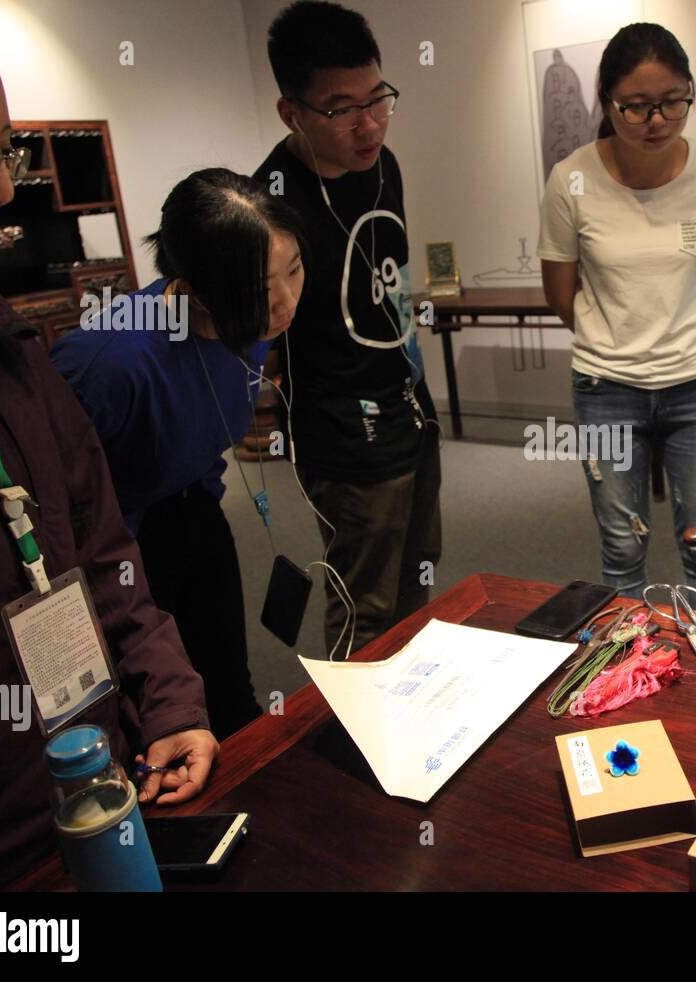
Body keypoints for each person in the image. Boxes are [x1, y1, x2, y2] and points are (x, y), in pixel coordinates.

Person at [0, 0, 216, 890]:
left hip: (97, 794)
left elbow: (98, 546)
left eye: (3, 152)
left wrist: (165, 696)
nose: (2, 187)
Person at [51, 169, 306, 739]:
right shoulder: (108, 363)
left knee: (229, 692)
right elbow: (52, 505)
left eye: (293, 271)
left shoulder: (250, 320)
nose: (286, 302)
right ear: (191, 286)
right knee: (150, 716)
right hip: (114, 547)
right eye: (262, 289)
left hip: (194, 509)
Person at [538, 22, 696, 616]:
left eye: (672, 102)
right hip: (607, 386)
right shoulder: (571, 180)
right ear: (608, 103)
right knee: (621, 546)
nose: (656, 120)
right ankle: (632, 669)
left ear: (689, 93)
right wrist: (618, 336)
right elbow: (562, 294)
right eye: (635, 107)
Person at [253, 1, 441, 654]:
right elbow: (260, 334)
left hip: (410, 408)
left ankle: (410, 718)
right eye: (342, 108)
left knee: (417, 580)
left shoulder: (383, 167)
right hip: (344, 435)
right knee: (364, 605)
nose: (370, 125)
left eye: (378, 98)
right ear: (291, 112)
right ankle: (352, 745)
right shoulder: (270, 204)